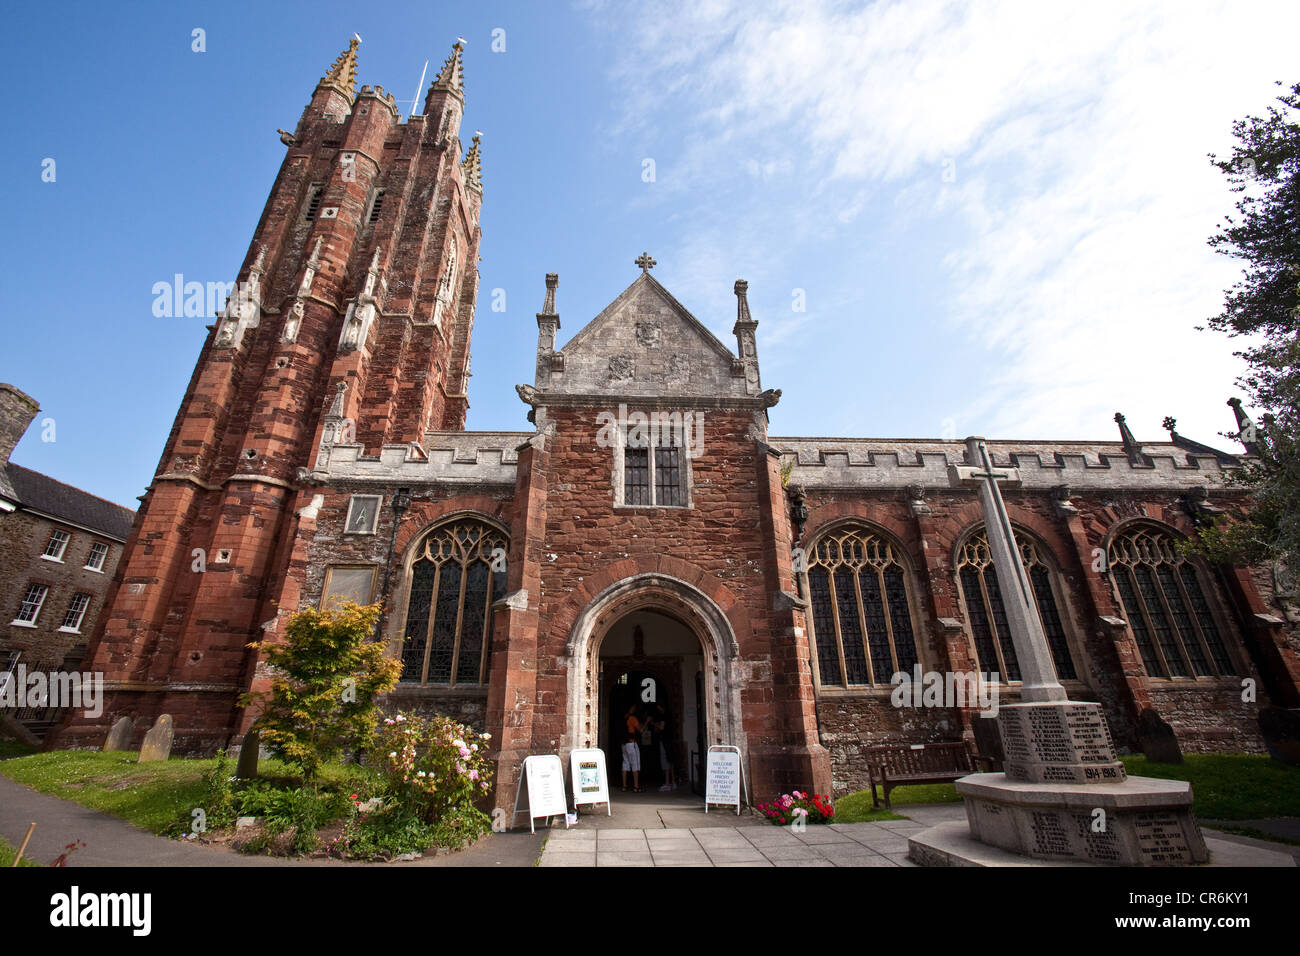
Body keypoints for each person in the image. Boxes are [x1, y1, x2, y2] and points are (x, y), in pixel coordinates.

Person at [651, 703, 676, 791]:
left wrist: (653, 723)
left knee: (665, 760)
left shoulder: (664, 715)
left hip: (665, 740)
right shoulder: (669, 714)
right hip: (670, 739)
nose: (658, 709)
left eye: (658, 707)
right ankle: (673, 782)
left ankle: (667, 783)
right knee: (670, 760)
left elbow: (661, 727)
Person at [621, 704, 642, 792]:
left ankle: (624, 786)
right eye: (633, 707)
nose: (634, 709)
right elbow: (640, 730)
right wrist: (648, 722)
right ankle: (636, 787)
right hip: (631, 743)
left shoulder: (623, 718)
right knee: (635, 764)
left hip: (623, 744)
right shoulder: (632, 718)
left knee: (625, 764)